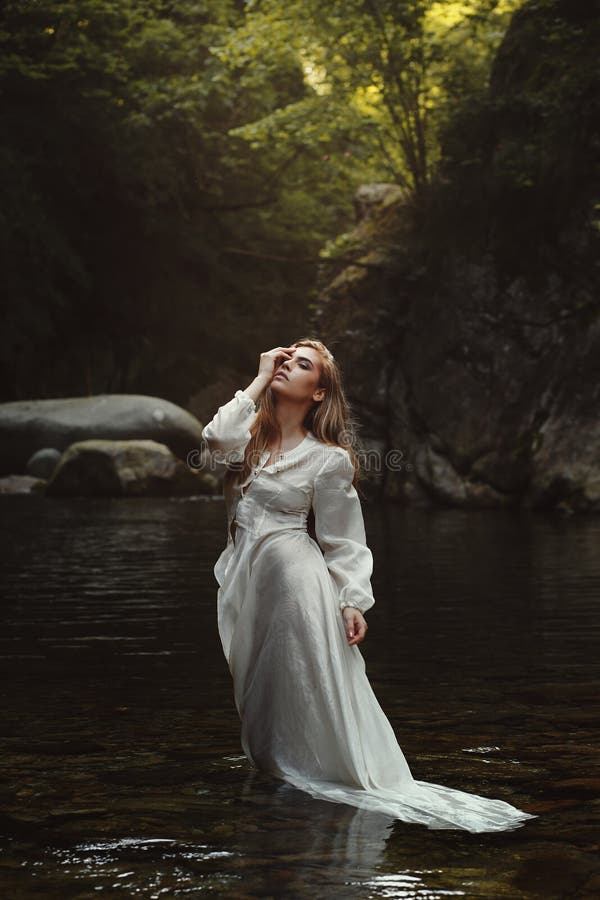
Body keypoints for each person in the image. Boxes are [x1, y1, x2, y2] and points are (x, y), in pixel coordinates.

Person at [201, 338, 536, 832]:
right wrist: (260, 377)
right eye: (286, 359)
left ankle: (305, 795)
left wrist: (352, 601)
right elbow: (214, 440)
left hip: (295, 582)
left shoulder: (328, 459)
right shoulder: (247, 437)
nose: (287, 366)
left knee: (296, 684)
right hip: (252, 582)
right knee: (258, 696)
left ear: (319, 393)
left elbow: (343, 539)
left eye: (302, 364)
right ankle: (280, 794)